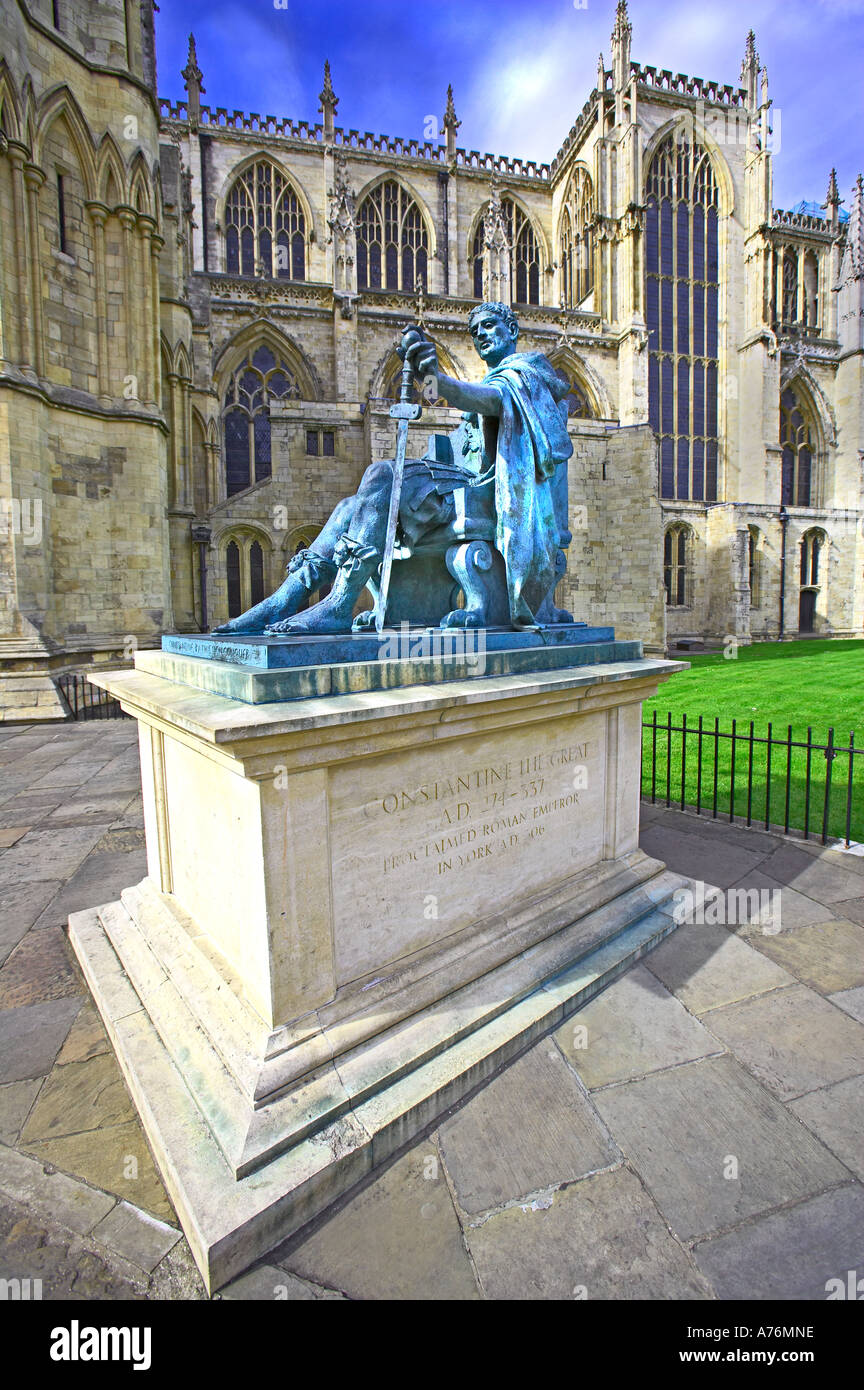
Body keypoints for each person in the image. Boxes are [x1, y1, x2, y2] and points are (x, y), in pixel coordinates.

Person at [213, 301, 573, 635]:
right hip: (462, 484)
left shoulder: (525, 376)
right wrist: (425, 375)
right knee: (348, 508)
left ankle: (339, 605)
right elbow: (455, 403)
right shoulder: (492, 383)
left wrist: (436, 377)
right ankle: (285, 599)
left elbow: (487, 401)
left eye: (489, 326)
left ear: (512, 330)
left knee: (381, 474)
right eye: (475, 330)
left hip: (492, 492)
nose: (480, 334)